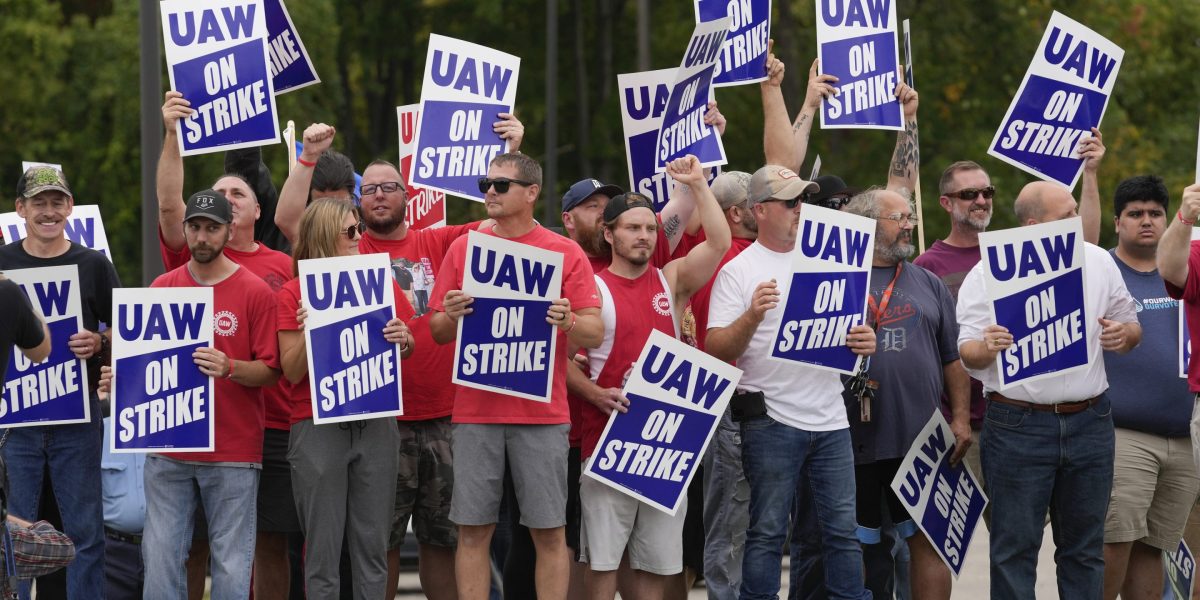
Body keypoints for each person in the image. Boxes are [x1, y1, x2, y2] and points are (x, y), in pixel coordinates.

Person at [429, 152, 604, 600]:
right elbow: (437, 332)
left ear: (531, 193)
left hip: (542, 416)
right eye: (486, 182)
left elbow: (594, 329)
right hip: (475, 412)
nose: (489, 190)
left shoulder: (563, 251)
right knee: (473, 529)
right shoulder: (463, 249)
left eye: (500, 185)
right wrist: (449, 315)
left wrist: (567, 321)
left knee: (549, 532)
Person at [957, 181, 1141, 599]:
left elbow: (1131, 326)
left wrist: (1123, 336)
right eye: (1066, 216)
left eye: (1076, 210)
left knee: (1084, 550)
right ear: (1036, 225)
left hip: (1090, 421)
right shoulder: (989, 270)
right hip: (1016, 424)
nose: (1077, 221)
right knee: (1014, 550)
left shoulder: (1097, 261)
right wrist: (986, 348)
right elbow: (966, 352)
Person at [706, 165, 876, 600]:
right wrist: (752, 315)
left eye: (803, 199)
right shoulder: (738, 271)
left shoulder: (830, 258)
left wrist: (863, 339)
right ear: (759, 210)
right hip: (771, 420)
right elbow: (716, 348)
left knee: (841, 531)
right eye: (790, 202)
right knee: (766, 531)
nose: (801, 209)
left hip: (831, 417)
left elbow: (853, 330)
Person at [567, 155, 730, 599]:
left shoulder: (670, 280)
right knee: (600, 565)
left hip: (664, 447)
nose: (643, 236)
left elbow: (718, 242)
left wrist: (698, 184)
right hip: (607, 443)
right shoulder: (591, 289)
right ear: (609, 234)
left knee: (659, 569)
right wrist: (595, 394)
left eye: (649, 229)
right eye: (632, 228)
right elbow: (555, 362)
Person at [158, 91, 299, 600]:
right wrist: (172, 133)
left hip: (267, 427)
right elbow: (169, 202)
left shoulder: (278, 271)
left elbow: (278, 361)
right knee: (184, 549)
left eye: (236, 194)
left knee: (264, 545)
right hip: (182, 437)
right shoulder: (177, 270)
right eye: (216, 196)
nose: (225, 200)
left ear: (253, 210)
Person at [138, 189, 282, 598]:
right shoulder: (161, 288)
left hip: (233, 452)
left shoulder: (254, 291)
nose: (202, 237)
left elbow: (271, 371)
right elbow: (145, 368)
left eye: (212, 228)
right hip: (169, 450)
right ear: (184, 230)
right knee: (160, 555)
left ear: (229, 229)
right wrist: (124, 378)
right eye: (195, 227)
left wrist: (230, 367)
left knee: (233, 561)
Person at [277, 198, 415, 597]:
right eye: (351, 231)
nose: (361, 237)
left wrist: (403, 340)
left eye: (360, 229)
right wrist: (308, 330)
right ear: (324, 236)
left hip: (375, 422)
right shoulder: (293, 293)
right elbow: (291, 371)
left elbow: (406, 345)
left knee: (373, 548)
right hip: (316, 427)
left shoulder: (379, 281)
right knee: (322, 552)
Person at [841, 188, 971, 599]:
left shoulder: (928, 281)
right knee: (857, 544)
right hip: (847, 438)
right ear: (867, 225)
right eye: (898, 218)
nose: (908, 225)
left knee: (928, 541)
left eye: (908, 216)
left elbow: (953, 358)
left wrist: (962, 419)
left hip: (919, 438)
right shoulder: (836, 277)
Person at [0, 165, 119, 599]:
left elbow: (126, 331)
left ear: (69, 207)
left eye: (56, 202)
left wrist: (100, 341)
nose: (48, 211)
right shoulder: (2, 264)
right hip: (15, 425)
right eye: (38, 203)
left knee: (85, 534)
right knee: (12, 538)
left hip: (79, 418)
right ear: (20, 210)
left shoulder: (93, 264)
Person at [1099, 175, 1199, 600]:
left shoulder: (1186, 267)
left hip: (1184, 435)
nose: (1146, 221)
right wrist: (1090, 175)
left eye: (1155, 213)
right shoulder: (1102, 268)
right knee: (1115, 540)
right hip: (1125, 433)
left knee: (1154, 548)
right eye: (1135, 214)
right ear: (1117, 221)